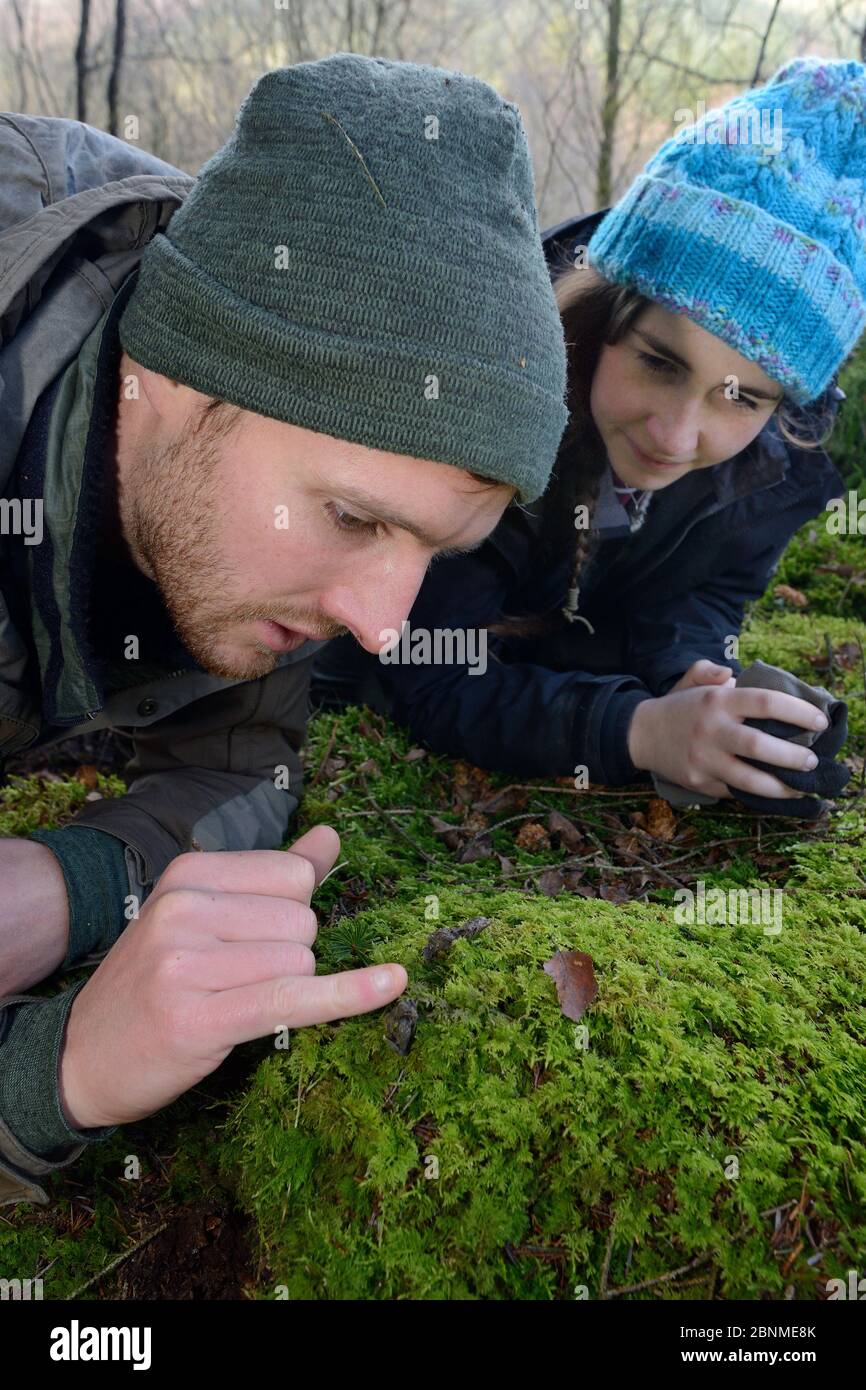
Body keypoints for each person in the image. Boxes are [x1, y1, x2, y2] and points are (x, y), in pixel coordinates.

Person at [0, 54, 569, 1206]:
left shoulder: (221, 354)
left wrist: (70, 880)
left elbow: (240, 762)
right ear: (168, 375)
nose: (378, 624)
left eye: (434, 553)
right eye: (352, 517)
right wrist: (44, 1078)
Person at [312, 55, 863, 815]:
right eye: (660, 363)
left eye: (743, 400)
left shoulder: (769, 471)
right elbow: (427, 669)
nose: (676, 434)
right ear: (602, 317)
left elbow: (704, 592)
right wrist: (637, 732)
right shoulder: (474, 402)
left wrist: (693, 679)